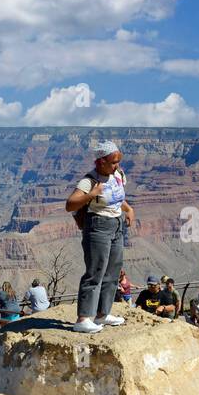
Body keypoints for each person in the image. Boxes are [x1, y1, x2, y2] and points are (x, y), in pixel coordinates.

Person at [65, 139, 134, 334]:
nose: (117, 165)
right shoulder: (90, 181)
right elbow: (70, 204)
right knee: (95, 272)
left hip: (116, 225)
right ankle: (83, 318)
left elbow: (117, 197)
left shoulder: (118, 175)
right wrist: (91, 194)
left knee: (113, 272)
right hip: (98, 227)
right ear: (101, 161)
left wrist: (128, 209)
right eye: (113, 162)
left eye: (118, 161)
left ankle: (103, 314)